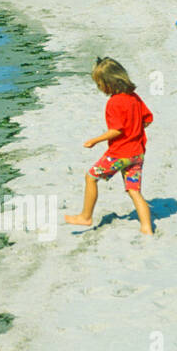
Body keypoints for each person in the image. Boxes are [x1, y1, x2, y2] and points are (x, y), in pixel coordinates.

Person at [65, 57, 154, 235]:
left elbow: (117, 130)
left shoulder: (114, 102)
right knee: (134, 191)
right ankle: (147, 228)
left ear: (109, 83)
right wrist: (135, 129)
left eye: (99, 84)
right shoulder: (134, 97)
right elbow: (148, 119)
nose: (99, 88)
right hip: (137, 153)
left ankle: (85, 216)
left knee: (91, 177)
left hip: (119, 154)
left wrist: (95, 140)